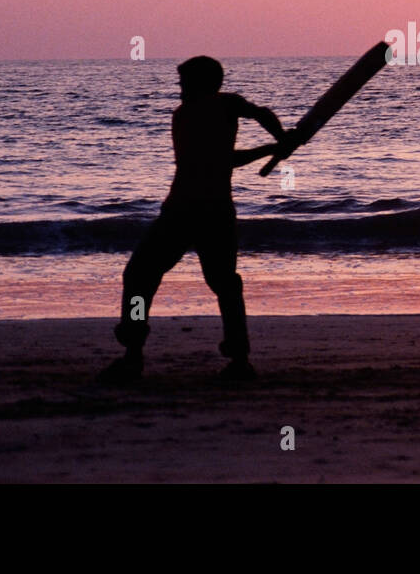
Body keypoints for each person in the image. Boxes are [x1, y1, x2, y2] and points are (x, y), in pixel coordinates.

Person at [98, 55, 294, 386]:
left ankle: (231, 360)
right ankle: (232, 359)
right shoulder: (188, 113)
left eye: (185, 82)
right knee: (158, 276)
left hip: (192, 211)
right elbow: (223, 158)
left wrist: (280, 139)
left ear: (204, 83)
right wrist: (275, 144)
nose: (180, 88)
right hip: (195, 210)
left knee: (172, 277)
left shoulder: (221, 105)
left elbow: (259, 116)